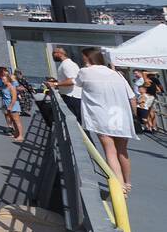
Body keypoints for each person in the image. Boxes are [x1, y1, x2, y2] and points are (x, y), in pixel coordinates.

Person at [76, 47, 136, 193]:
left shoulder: (85, 72)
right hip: (121, 116)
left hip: (102, 116)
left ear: (87, 58)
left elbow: (77, 83)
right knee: (122, 151)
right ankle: (128, 183)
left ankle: (119, 186)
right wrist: (134, 116)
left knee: (110, 151)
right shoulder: (117, 75)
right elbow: (132, 98)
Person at [53, 46, 82, 120]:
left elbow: (71, 81)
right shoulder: (66, 64)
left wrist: (55, 84)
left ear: (60, 54)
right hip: (70, 96)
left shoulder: (67, 64)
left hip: (72, 97)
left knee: (75, 121)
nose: (53, 55)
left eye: (54, 53)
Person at [0, 67, 24, 142]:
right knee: (12, 120)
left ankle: (21, 136)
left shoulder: (12, 87)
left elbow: (14, 98)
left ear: (8, 80)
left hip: (13, 106)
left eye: (4, 79)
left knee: (17, 121)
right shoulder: (5, 86)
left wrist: (10, 106)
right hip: (7, 105)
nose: (2, 81)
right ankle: (16, 133)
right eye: (2, 79)